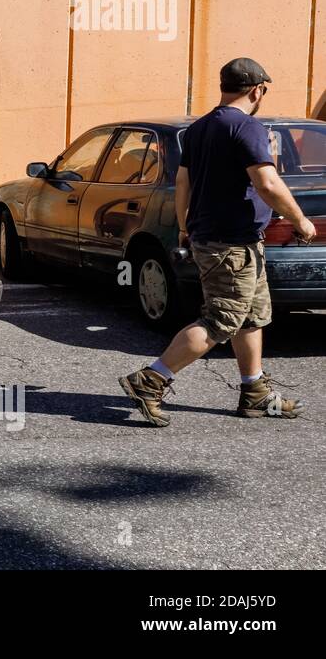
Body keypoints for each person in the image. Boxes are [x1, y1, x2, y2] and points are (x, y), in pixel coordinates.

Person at [120, 58, 317, 426]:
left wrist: (183, 227)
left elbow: (183, 183)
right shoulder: (247, 127)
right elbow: (267, 183)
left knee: (253, 317)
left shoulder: (199, 129)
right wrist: (300, 220)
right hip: (230, 245)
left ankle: (254, 392)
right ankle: (151, 380)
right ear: (257, 90)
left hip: (228, 240)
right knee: (221, 320)